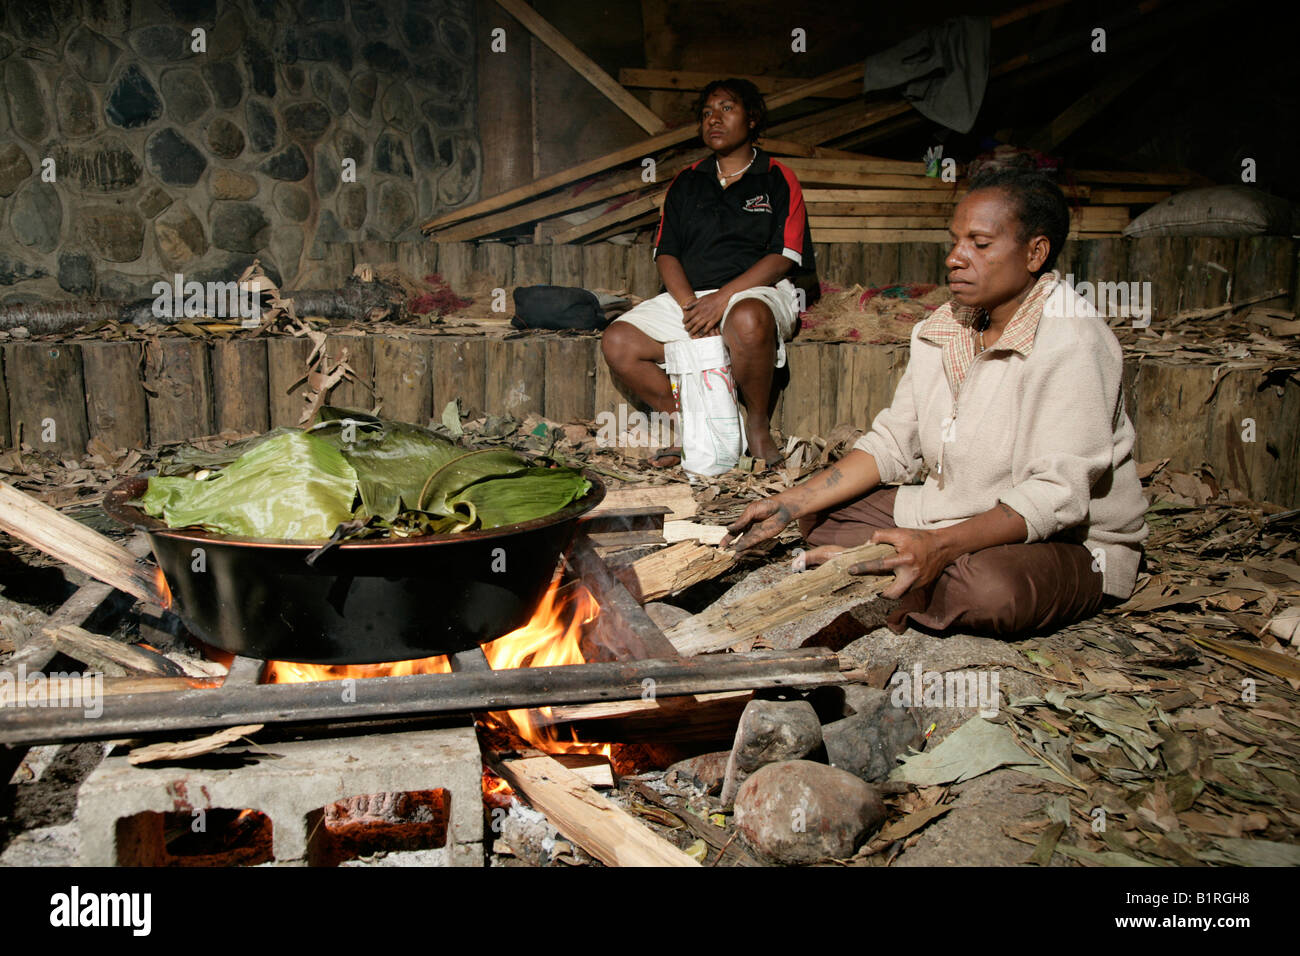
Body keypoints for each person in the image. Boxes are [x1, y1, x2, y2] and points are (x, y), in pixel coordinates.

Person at [723, 167, 1149, 637]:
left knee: (990, 591)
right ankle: (914, 560)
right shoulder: (945, 327)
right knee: (822, 517)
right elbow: (892, 444)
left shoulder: (1073, 341)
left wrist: (939, 545)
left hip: (1065, 540)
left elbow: (1057, 497)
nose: (955, 258)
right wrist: (790, 502)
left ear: (1035, 252)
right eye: (956, 240)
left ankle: (918, 565)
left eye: (980, 244)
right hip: (958, 510)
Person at [600, 78, 816, 469]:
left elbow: (783, 257)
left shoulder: (777, 177)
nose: (714, 119)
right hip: (693, 297)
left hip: (758, 291)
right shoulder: (687, 181)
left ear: (752, 120)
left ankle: (756, 426)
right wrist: (691, 306)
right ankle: (694, 425)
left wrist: (721, 301)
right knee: (618, 341)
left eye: (726, 109)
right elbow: (667, 253)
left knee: (746, 318)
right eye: (706, 113)